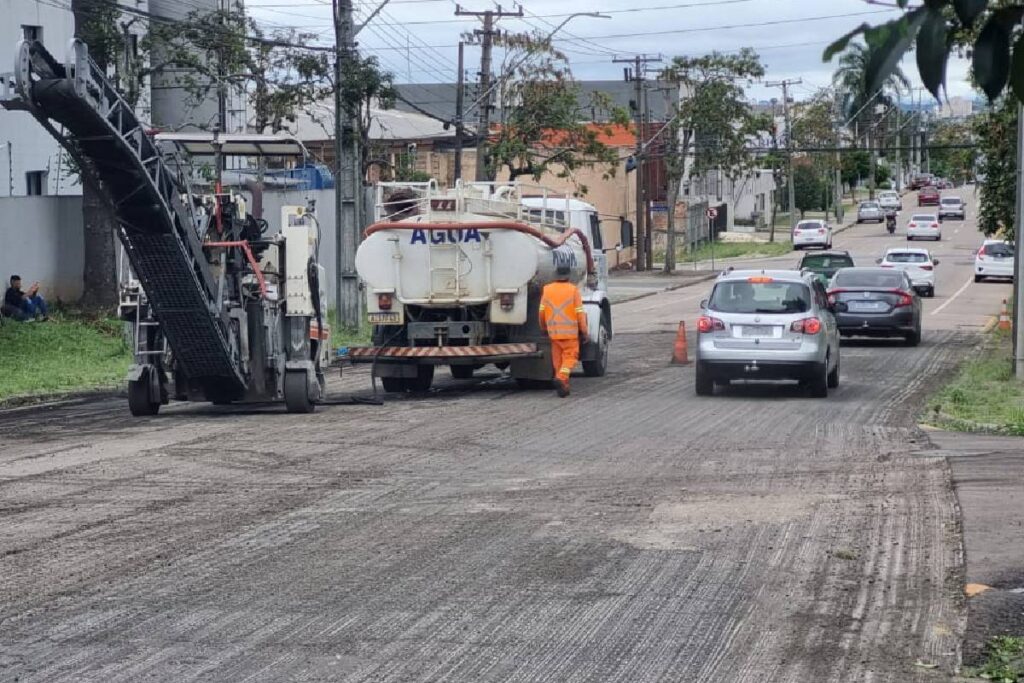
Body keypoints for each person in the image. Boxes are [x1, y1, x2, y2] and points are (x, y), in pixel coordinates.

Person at [538, 263, 588, 398]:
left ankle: (564, 388)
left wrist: (543, 328)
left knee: (558, 361)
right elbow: (579, 313)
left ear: (556, 275)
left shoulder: (547, 289)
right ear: (569, 276)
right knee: (570, 357)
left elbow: (541, 312)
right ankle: (561, 378)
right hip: (570, 333)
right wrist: (584, 331)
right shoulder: (573, 290)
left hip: (554, 333)